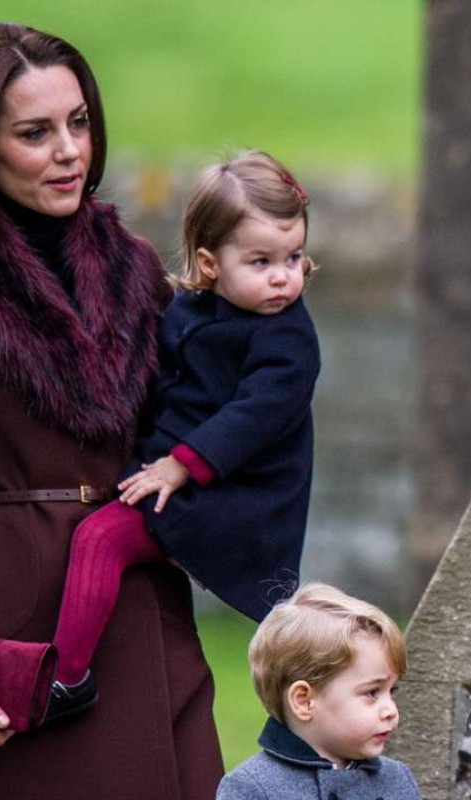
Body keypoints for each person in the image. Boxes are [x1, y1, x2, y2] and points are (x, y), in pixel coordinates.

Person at [0, 22, 223, 799]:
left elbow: (201, 422)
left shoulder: (136, 267)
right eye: (34, 132)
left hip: (142, 601)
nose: (69, 150)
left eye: (79, 122)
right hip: (16, 624)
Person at [41, 149, 321, 721]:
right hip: (175, 473)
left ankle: (66, 679)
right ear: (210, 262)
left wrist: (180, 464)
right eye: (261, 260)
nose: (282, 276)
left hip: (228, 496)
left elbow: (253, 417)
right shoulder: (189, 309)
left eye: (293, 257)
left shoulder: (288, 339)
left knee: (100, 540)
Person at [216, 582, 421, 800]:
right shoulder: (252, 788)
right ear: (304, 701)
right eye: (372, 693)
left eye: (392, 691)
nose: (391, 710)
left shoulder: (396, 779)